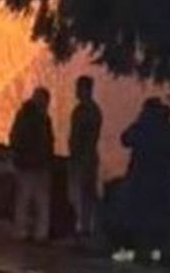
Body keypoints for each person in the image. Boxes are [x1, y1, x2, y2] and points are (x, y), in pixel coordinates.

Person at [112, 97, 170, 264]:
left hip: (141, 181)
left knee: (136, 218)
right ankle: (155, 255)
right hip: (163, 183)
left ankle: (139, 254)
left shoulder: (143, 127)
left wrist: (137, 122)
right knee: (157, 220)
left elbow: (125, 139)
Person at [9, 87, 54, 242]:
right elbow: (47, 142)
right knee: (37, 200)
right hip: (33, 164)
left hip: (30, 164)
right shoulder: (39, 118)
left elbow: (15, 138)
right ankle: (39, 233)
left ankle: (25, 232)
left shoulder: (26, 116)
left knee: (26, 199)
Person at [68, 75, 102, 237]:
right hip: (84, 158)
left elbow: (84, 137)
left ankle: (84, 227)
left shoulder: (88, 112)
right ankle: (85, 226)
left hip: (84, 159)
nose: (76, 92)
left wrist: (77, 154)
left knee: (83, 194)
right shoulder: (85, 110)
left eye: (79, 88)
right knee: (84, 193)